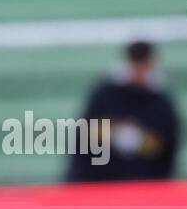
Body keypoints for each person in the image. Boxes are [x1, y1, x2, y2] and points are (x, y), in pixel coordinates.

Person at [66, 41, 180, 182]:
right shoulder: (105, 93)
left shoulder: (160, 101)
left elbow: (164, 143)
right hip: (101, 179)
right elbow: (86, 129)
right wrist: (117, 132)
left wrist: (138, 139)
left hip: (141, 182)